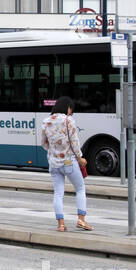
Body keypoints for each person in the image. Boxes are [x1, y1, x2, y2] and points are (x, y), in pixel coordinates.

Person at [39, 96, 91, 232]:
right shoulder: (69, 121)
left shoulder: (46, 121)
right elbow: (74, 142)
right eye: (70, 109)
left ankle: (61, 224)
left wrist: (54, 151)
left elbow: (44, 143)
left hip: (53, 162)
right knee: (80, 188)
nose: (70, 112)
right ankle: (81, 220)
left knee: (58, 193)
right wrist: (80, 158)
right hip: (69, 161)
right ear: (67, 107)